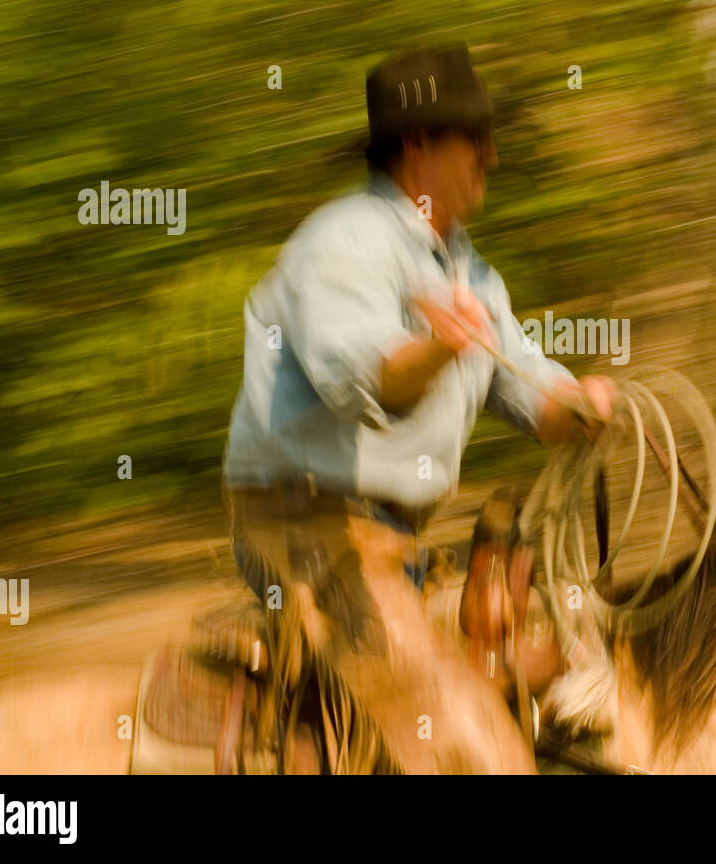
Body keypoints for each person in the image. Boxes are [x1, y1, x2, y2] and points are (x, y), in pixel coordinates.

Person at [222, 44, 614, 773]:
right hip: (306, 528)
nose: (492, 157)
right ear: (417, 145)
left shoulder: (469, 270)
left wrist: (579, 406)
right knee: (470, 741)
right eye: (477, 138)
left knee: (572, 653)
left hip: (394, 543)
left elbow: (529, 389)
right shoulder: (341, 243)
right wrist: (433, 349)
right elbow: (363, 385)